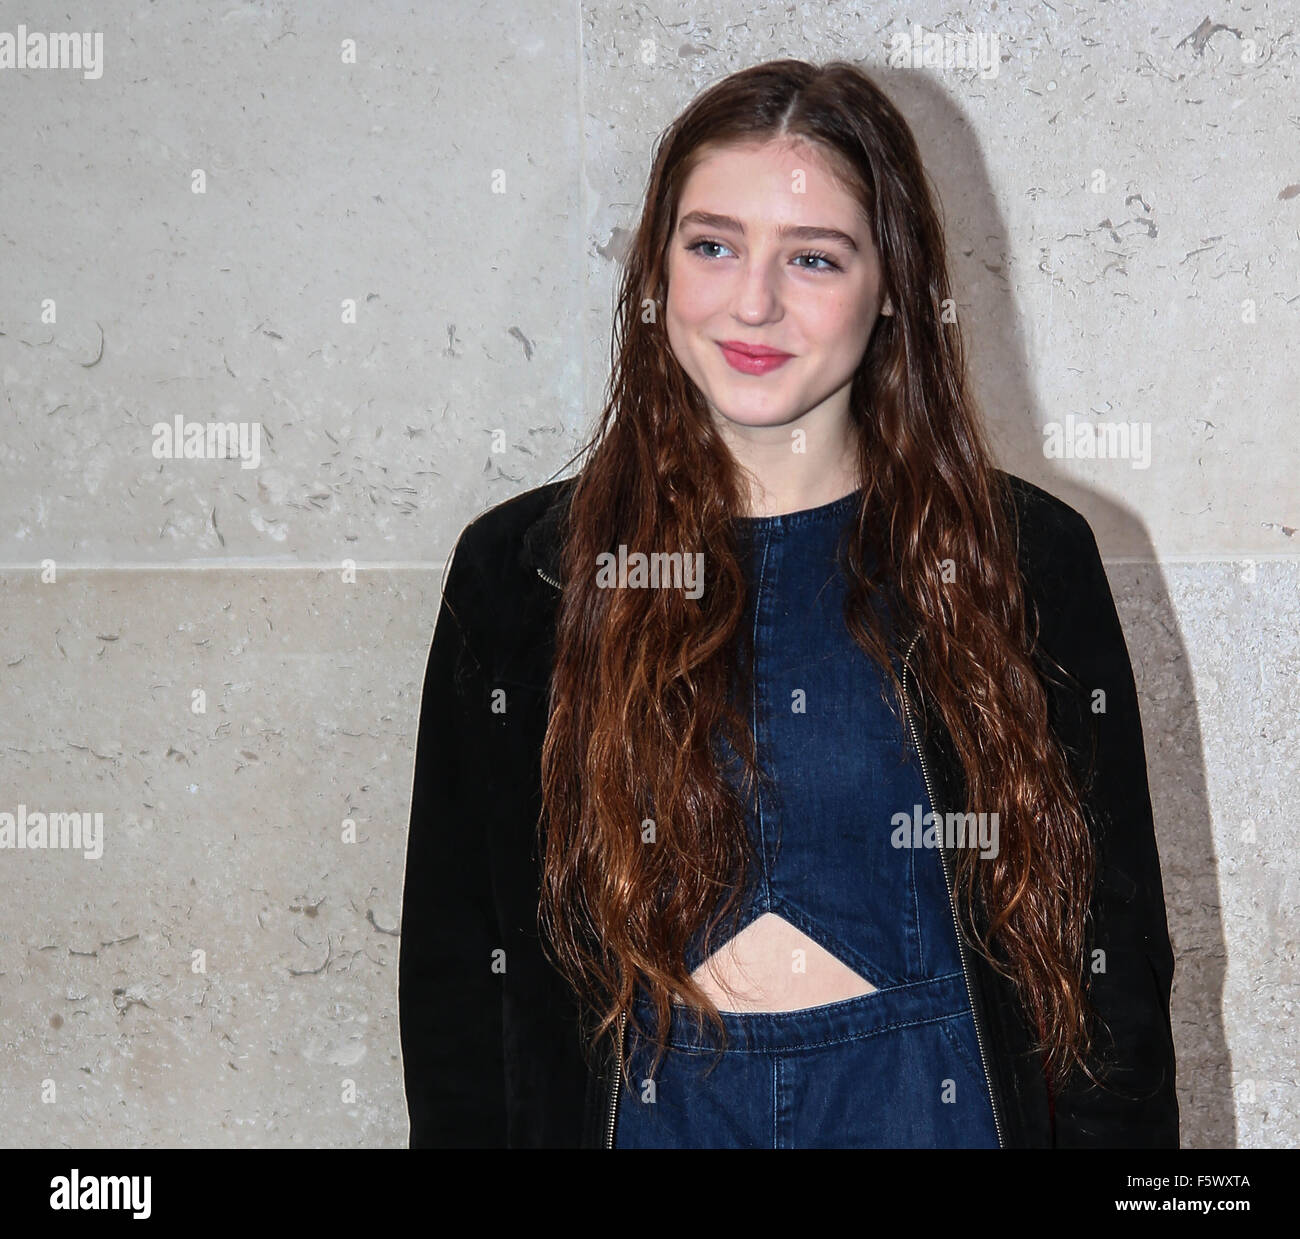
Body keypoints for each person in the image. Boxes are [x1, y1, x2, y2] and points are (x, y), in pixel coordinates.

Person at [398, 58, 1178, 1149]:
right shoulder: (522, 574)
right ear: (656, 270)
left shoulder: (1023, 558)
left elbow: (1113, 966)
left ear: (893, 283)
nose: (751, 302)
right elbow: (456, 978)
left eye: (812, 258)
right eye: (711, 244)